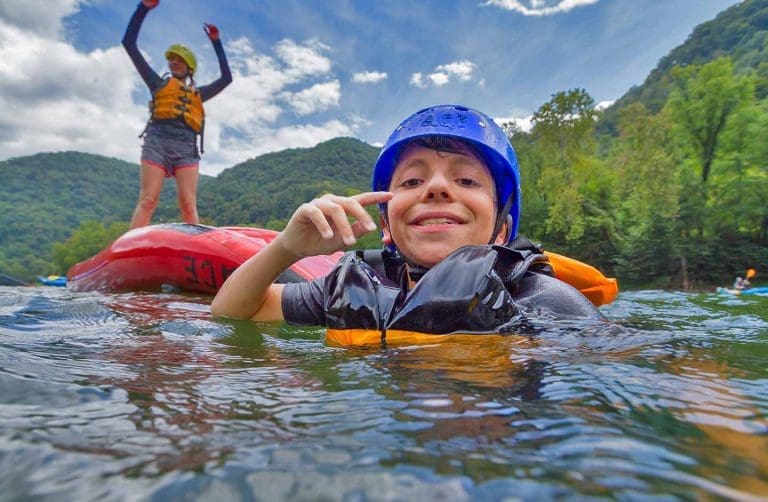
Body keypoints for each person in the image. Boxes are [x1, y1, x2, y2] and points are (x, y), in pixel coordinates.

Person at [211, 105, 604, 343]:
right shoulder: (349, 288)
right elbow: (230, 313)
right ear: (386, 227)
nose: (435, 188)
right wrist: (287, 248)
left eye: (466, 180)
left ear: (501, 231)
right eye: (412, 181)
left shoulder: (542, 302)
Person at [122, 0, 232, 229]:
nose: (174, 62)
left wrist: (216, 42)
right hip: (158, 140)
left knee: (188, 204)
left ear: (189, 67)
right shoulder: (157, 83)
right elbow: (129, 43)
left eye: (179, 60)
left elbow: (226, 78)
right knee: (148, 200)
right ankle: (133, 244)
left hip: (186, 146)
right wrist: (143, 8)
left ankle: (194, 245)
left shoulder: (198, 94)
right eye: (172, 59)